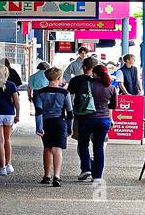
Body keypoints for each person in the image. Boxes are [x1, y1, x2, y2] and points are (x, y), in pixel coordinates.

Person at [68, 57, 118, 185]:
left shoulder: (87, 84)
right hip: (104, 120)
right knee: (98, 147)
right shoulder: (111, 88)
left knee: (83, 144)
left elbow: (74, 98)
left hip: (86, 119)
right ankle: (97, 176)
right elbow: (113, 106)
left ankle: (86, 168)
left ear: (94, 73)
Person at [32, 67, 73, 186]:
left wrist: (39, 127)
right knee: (57, 148)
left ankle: (46, 176)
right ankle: (57, 176)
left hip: (46, 122)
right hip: (60, 122)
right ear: (59, 78)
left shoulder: (40, 92)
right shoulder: (64, 93)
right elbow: (69, 112)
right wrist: (69, 127)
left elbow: (38, 111)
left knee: (47, 148)